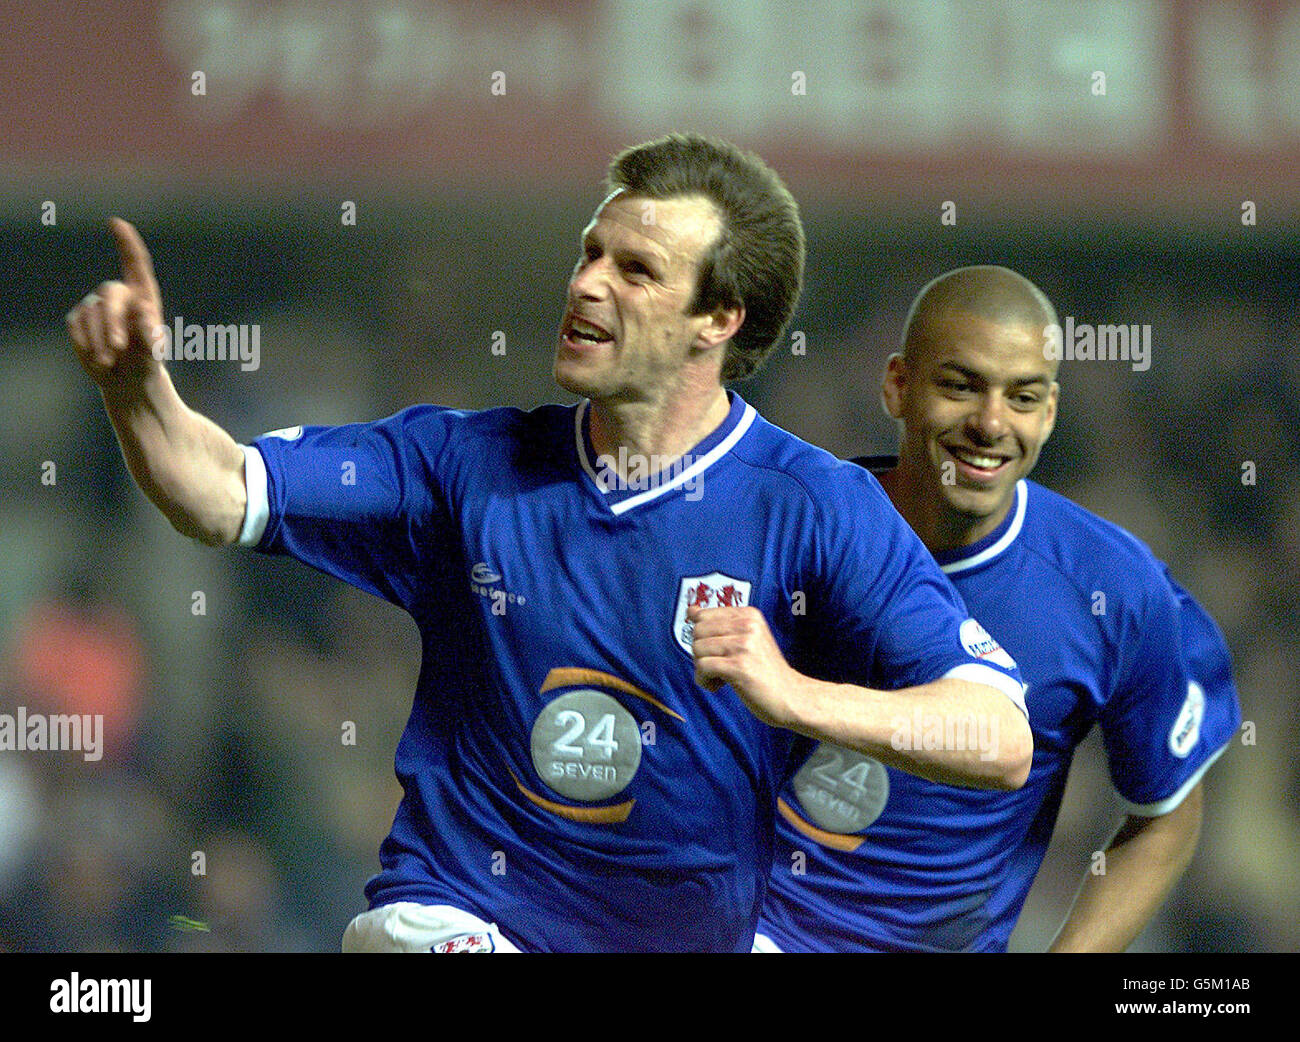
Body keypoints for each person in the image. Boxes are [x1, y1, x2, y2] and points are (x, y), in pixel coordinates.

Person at [66, 135, 1030, 953]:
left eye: (636, 270)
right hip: (456, 918)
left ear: (718, 320)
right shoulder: (458, 464)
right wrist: (133, 385)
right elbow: (218, 488)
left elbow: (998, 738)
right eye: (590, 252)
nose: (586, 283)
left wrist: (798, 697)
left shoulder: (816, 507)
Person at [756, 265, 1241, 953]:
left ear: (1048, 413)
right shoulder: (783, 529)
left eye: (1022, 397)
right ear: (898, 385)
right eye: (961, 386)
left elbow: (1166, 814)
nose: (990, 424)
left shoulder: (1114, 589)